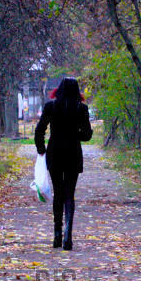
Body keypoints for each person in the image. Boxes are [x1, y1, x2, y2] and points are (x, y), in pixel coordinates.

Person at [34, 77, 93, 250]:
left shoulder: (50, 107)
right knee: (69, 194)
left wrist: (41, 148)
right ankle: (68, 234)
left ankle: (57, 234)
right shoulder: (81, 108)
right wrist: (76, 135)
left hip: (55, 154)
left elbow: (40, 129)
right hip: (73, 154)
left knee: (58, 193)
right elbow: (87, 135)